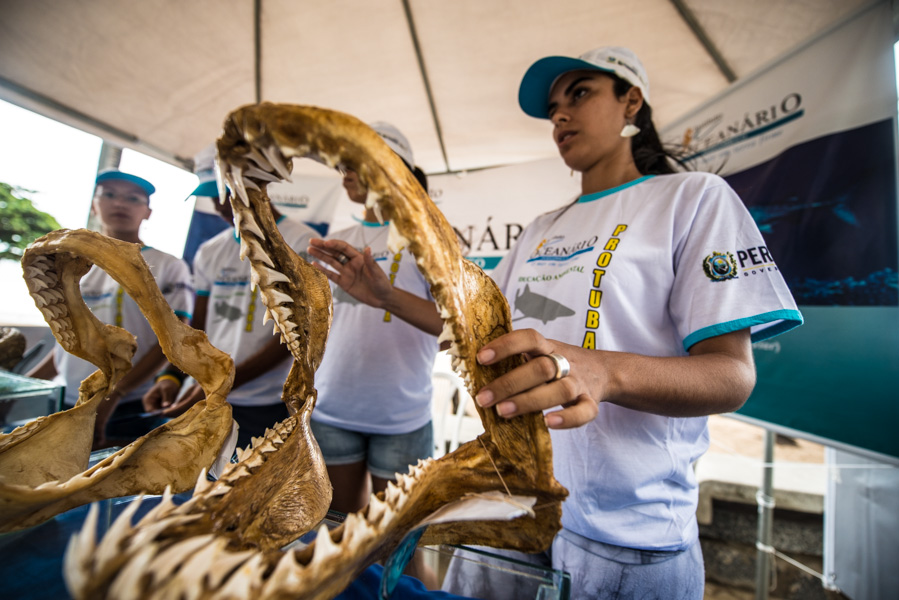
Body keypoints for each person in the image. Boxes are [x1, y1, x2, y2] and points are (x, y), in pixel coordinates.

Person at [436, 46, 805, 599]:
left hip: (625, 534)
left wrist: (605, 373)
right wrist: (380, 293)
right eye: (554, 107)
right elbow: (482, 338)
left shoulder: (693, 199)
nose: (560, 115)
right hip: (508, 502)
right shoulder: (541, 226)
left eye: (580, 93)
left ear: (631, 101)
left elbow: (731, 376)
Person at [306, 123, 444, 587]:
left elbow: (458, 328)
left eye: (356, 158)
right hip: (333, 408)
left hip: (401, 417)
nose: (344, 168)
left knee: (400, 548)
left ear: (393, 167)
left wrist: (387, 297)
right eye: (341, 160)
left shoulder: (432, 238)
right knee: (340, 539)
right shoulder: (337, 234)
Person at [142, 144, 319, 449]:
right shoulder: (210, 251)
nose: (219, 204)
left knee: (260, 492)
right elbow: (198, 327)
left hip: (272, 401)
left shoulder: (303, 243)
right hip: (210, 397)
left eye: (227, 192)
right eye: (212, 195)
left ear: (259, 183)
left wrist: (220, 386)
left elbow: (299, 339)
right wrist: (171, 376)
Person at [28, 170, 193, 449]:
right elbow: (65, 340)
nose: (120, 204)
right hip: (66, 397)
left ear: (147, 212)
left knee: (117, 486)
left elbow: (174, 339)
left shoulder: (167, 266)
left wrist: (115, 393)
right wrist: (23, 386)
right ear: (95, 204)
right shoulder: (73, 268)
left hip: (127, 404)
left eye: (133, 198)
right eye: (110, 195)